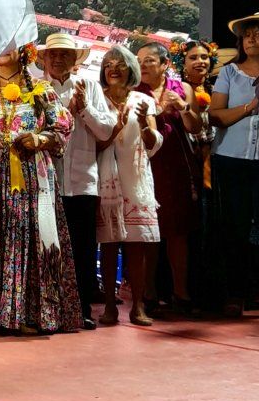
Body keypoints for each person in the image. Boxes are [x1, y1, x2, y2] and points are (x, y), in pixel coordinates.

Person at [0, 43, 82, 335]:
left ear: (24, 51)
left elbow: (63, 128)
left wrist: (39, 139)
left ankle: (30, 313)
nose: (2, 49)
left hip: (32, 176)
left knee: (32, 239)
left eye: (10, 43)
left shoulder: (41, 89)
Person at [38, 33, 116, 329]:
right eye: (53, 54)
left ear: (74, 60)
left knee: (83, 250)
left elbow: (106, 130)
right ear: (44, 59)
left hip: (83, 182)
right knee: (48, 249)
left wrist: (84, 108)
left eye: (64, 54)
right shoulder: (37, 89)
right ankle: (49, 310)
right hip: (47, 181)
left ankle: (81, 309)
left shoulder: (89, 86)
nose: (58, 59)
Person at [210, 13, 259, 320]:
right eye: (247, 34)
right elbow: (215, 115)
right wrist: (251, 106)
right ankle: (235, 294)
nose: (251, 39)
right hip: (231, 157)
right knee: (234, 226)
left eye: (258, 34)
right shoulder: (229, 72)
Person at [96, 45, 162, 326]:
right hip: (106, 176)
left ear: (130, 69)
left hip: (136, 178)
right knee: (109, 244)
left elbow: (153, 143)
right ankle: (110, 306)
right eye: (108, 64)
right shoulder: (96, 98)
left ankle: (138, 306)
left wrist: (145, 125)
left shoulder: (142, 100)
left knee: (137, 246)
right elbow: (95, 141)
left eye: (120, 64)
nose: (113, 68)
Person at [136, 41, 203, 314]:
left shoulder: (183, 89)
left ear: (165, 64)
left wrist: (184, 107)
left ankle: (181, 292)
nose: (143, 66)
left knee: (178, 232)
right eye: (139, 61)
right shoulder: (134, 91)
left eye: (149, 60)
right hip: (146, 165)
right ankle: (148, 292)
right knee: (149, 232)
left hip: (176, 165)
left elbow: (195, 127)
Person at [171, 39, 219, 307]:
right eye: (193, 57)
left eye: (204, 57)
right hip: (188, 163)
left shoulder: (218, 89)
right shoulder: (177, 90)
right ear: (182, 62)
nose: (200, 62)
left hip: (216, 164)